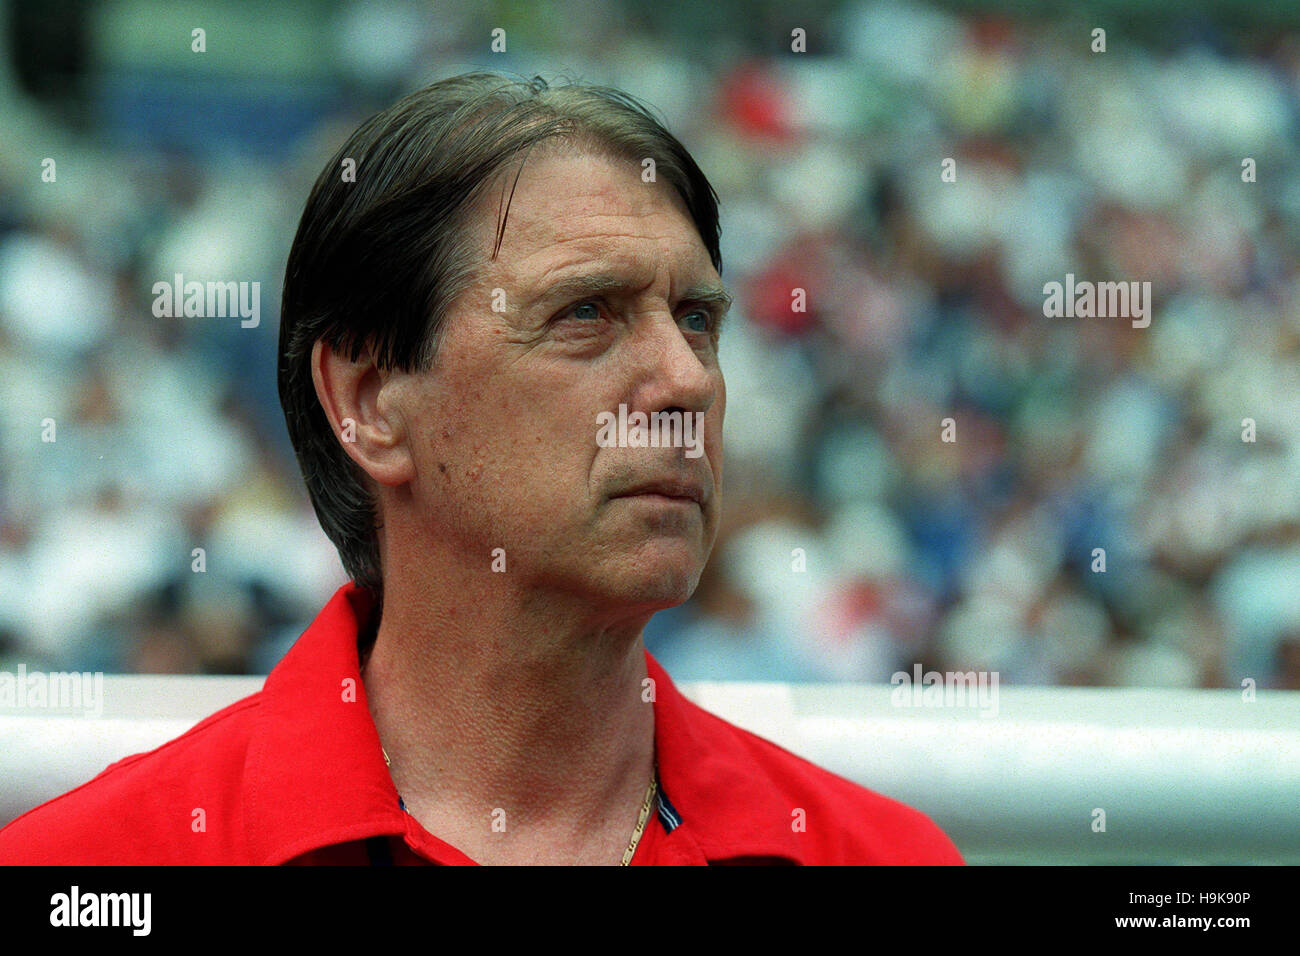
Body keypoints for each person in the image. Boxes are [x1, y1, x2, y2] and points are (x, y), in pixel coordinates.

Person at [0, 72, 963, 865]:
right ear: (371, 403)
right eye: (586, 313)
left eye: (698, 319)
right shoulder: (100, 867)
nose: (687, 381)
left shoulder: (877, 855)